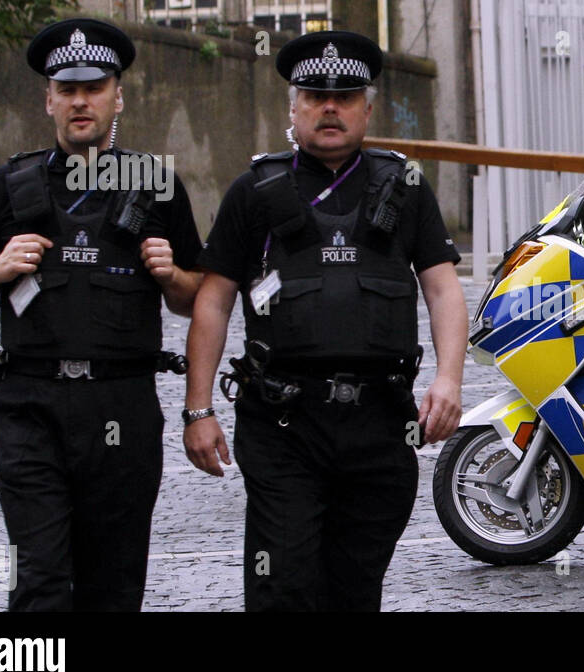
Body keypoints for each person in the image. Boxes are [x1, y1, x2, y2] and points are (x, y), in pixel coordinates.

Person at [182, 31, 466, 611]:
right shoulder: (254, 190)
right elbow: (212, 301)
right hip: (284, 421)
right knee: (282, 582)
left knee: (356, 586)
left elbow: (441, 287)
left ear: (368, 106)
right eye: (313, 95)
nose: (328, 107)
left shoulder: (405, 187)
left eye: (344, 95)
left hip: (382, 422)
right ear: (293, 107)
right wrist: (199, 408)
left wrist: (449, 379)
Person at [0, 18, 203, 609]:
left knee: (112, 585)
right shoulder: (9, 185)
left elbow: (195, 300)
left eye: (95, 87)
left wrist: (172, 274)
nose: (81, 100)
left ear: (118, 95)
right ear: (49, 98)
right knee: (41, 581)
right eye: (68, 88)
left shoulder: (156, 186)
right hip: (31, 408)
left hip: (122, 409)